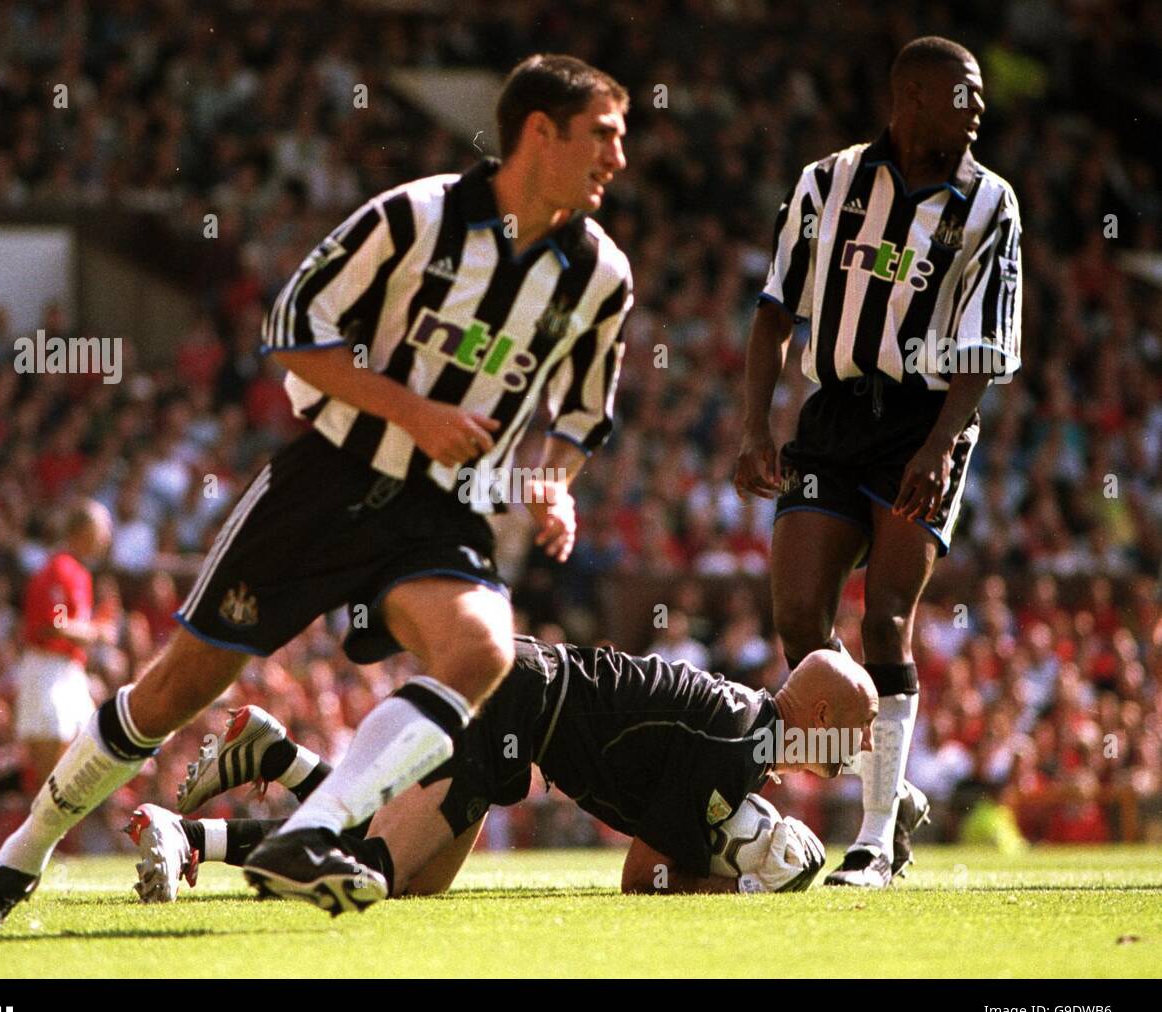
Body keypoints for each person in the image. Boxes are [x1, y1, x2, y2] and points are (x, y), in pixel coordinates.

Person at [0, 54, 633, 927]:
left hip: (442, 509)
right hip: (329, 480)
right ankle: (18, 854)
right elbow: (293, 330)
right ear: (541, 131)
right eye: (605, 135)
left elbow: (582, 415)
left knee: (483, 650)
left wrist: (555, 486)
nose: (618, 158)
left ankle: (310, 831)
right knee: (172, 691)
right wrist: (412, 410)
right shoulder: (415, 218)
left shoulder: (601, 276)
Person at [733, 36, 1022, 887]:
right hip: (830, 415)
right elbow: (774, 309)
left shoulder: (989, 202)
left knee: (886, 616)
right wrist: (756, 425)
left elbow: (985, 341)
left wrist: (939, 445)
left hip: (925, 418)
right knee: (797, 621)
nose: (980, 108)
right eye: (964, 93)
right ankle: (885, 786)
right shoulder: (828, 183)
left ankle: (874, 836)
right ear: (915, 98)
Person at [123, 637, 876, 910]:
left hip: (524, 703)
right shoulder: (737, 746)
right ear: (812, 707)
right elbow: (642, 875)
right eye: (855, 722)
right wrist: (739, 882)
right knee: (375, 868)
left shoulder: (747, 735)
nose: (859, 745)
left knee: (417, 881)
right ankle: (207, 818)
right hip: (515, 703)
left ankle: (260, 772)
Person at [14, 501, 114, 791]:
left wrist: (95, 628)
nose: (107, 535)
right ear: (82, 531)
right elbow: (52, 624)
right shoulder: (59, 570)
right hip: (48, 670)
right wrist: (96, 631)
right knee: (50, 776)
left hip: (71, 671)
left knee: (89, 756)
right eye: (102, 528)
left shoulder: (81, 574)